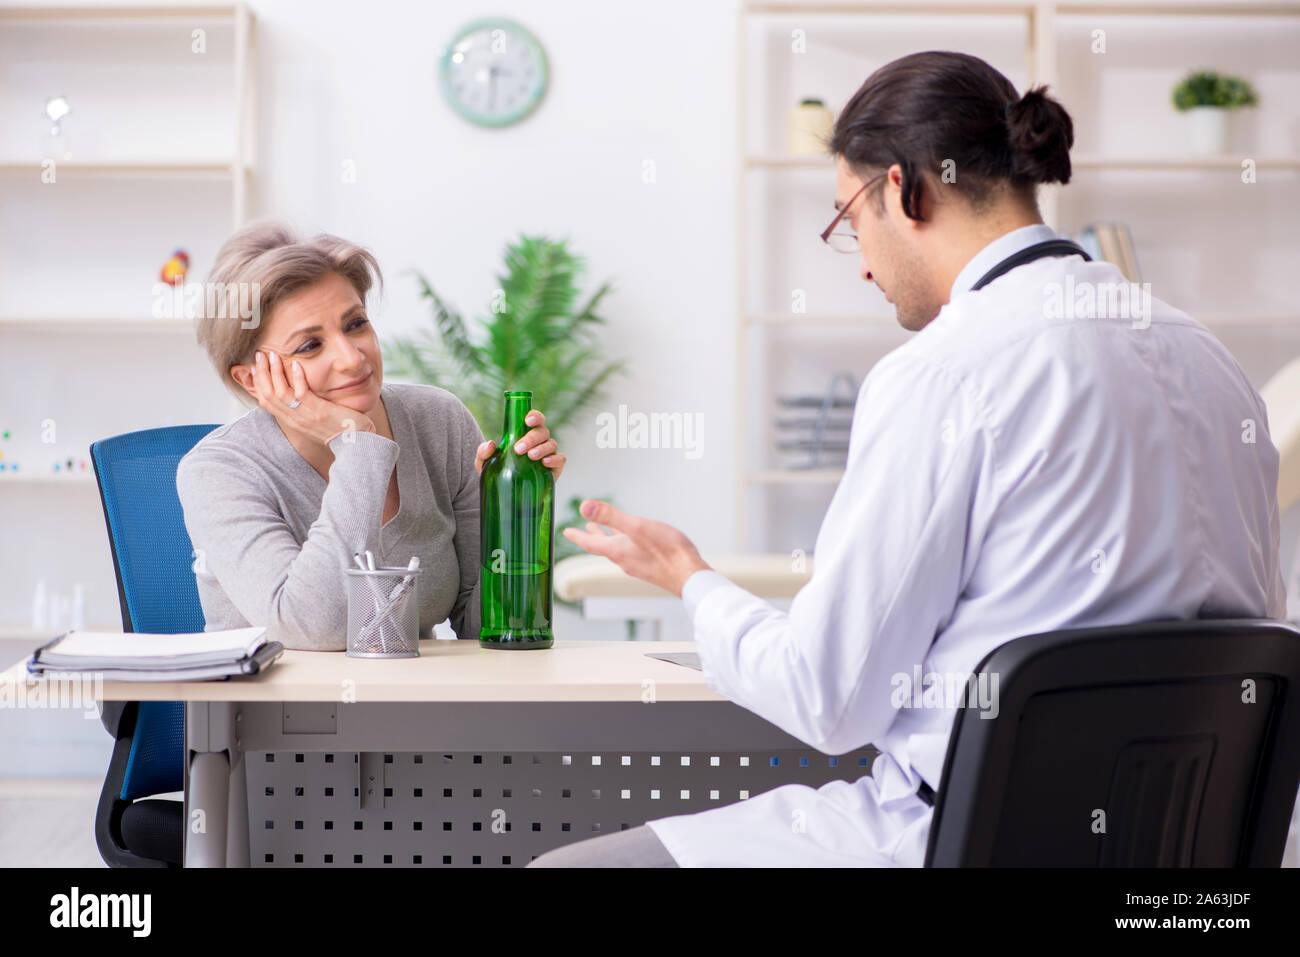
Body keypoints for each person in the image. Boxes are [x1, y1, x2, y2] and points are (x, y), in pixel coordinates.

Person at [529, 50, 1287, 867]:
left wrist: (692, 580)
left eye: (848, 219)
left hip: (965, 839)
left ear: (903, 188)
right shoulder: (1211, 358)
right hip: (1195, 854)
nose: (859, 260)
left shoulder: (945, 372)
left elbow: (830, 698)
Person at [176, 222, 566, 651]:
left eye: (356, 323)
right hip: (273, 712)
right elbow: (314, 627)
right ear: (253, 379)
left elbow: (484, 625)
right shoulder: (218, 470)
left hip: (412, 706)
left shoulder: (439, 421)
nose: (351, 357)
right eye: (310, 346)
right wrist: (358, 444)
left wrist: (514, 514)